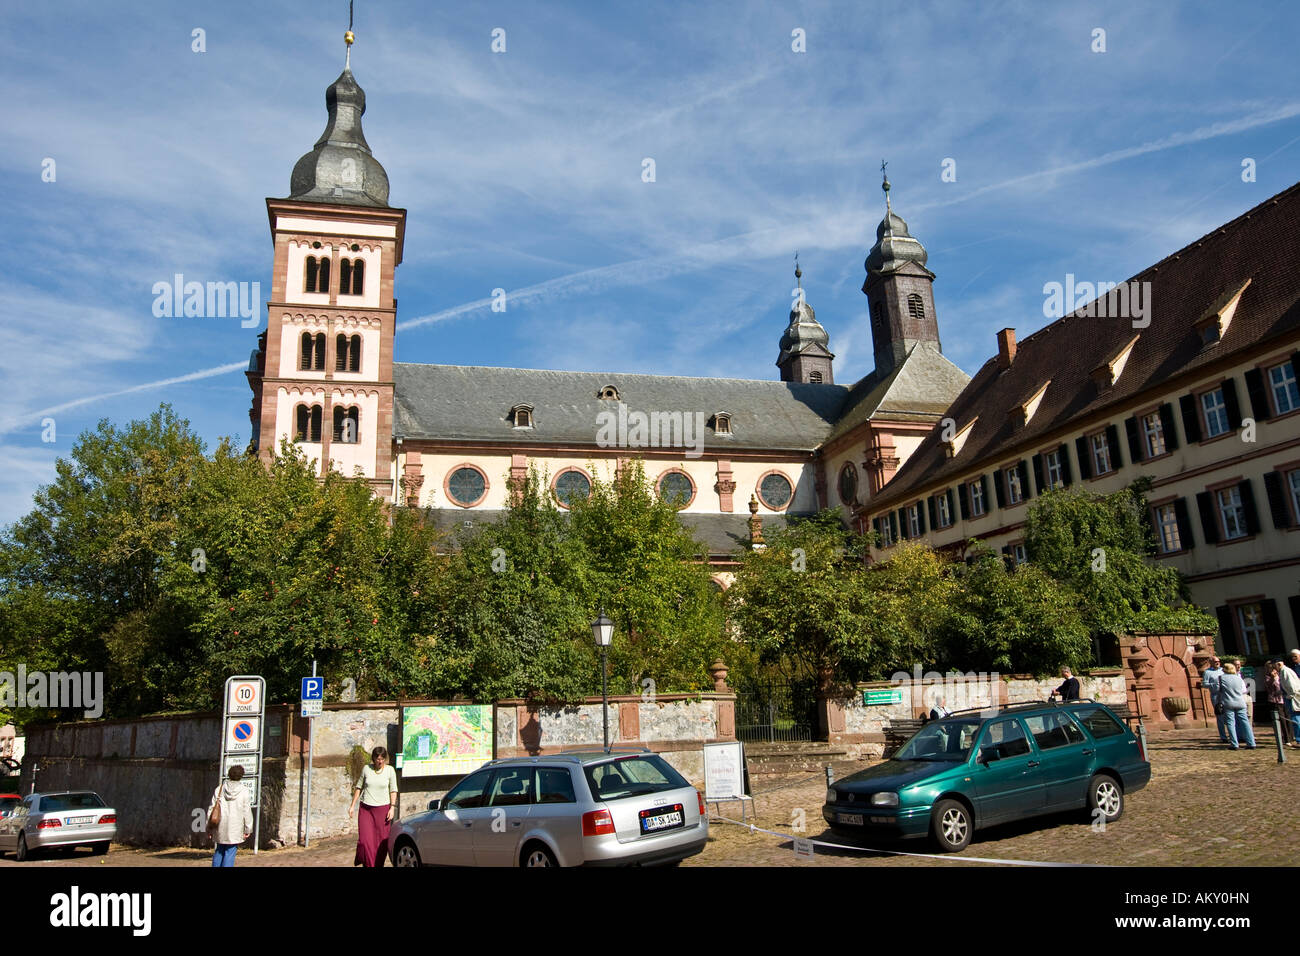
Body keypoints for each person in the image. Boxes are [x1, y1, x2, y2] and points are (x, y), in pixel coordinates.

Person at [349, 745, 398, 867]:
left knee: (381, 843)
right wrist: (352, 805)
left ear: (385, 759)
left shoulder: (390, 770)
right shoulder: (366, 769)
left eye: (382, 759)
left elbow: (393, 790)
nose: (379, 761)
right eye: (377, 758)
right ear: (373, 758)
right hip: (366, 810)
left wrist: (392, 807)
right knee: (365, 842)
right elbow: (359, 787)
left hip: (383, 810)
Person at [207, 765, 253, 867]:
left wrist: (209, 827)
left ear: (229, 774)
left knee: (219, 850)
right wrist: (248, 828)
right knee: (230, 851)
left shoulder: (219, 789)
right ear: (241, 776)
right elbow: (247, 811)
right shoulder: (244, 791)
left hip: (220, 825)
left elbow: (211, 809)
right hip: (235, 827)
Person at [1218, 663, 1256, 750]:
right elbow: (1244, 690)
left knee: (1231, 723)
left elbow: (1220, 690)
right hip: (1240, 702)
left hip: (1228, 702)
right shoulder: (1239, 678)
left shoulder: (1221, 678)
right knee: (1245, 722)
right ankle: (1251, 742)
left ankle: (1234, 744)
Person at [1202, 656, 1228, 742]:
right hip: (1215, 695)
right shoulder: (1207, 672)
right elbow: (1204, 684)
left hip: (1225, 695)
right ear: (1211, 663)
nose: (1217, 663)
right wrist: (1213, 684)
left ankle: (1233, 735)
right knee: (1220, 716)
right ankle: (1223, 737)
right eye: (1215, 661)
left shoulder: (1223, 670)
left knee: (1229, 715)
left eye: (1218, 661)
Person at [1278, 655, 1300, 748]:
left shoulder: (1285, 671)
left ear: (1278, 664)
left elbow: (1292, 687)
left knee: (1295, 718)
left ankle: (1299, 739)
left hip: (1292, 698)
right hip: (1292, 697)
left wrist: (1289, 696)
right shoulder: (1285, 671)